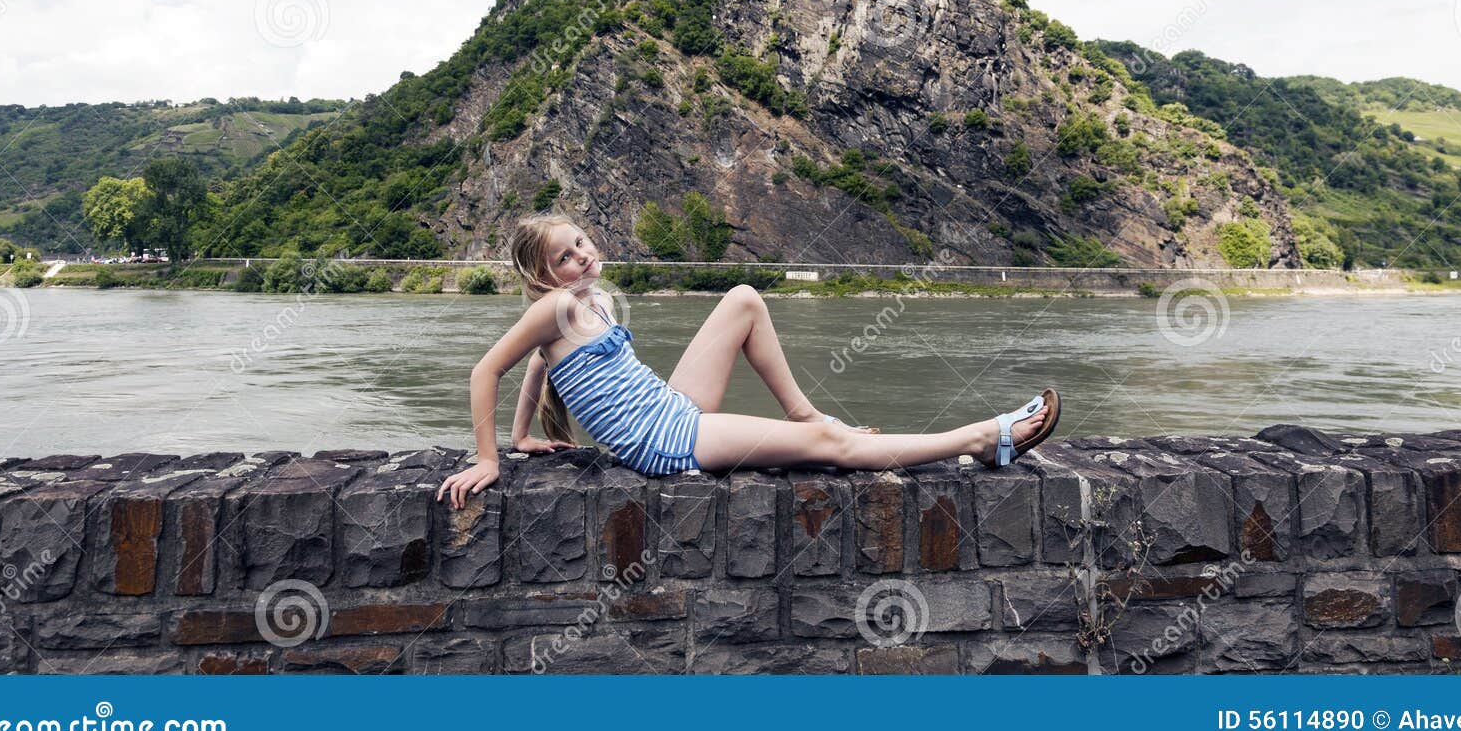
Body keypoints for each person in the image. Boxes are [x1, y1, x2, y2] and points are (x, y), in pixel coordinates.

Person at [436, 210, 1059, 507]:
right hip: (665, 439)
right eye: (566, 257)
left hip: (667, 406)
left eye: (581, 242)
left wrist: (524, 435)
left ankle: (806, 412)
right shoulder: (550, 310)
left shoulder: (590, 300)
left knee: (743, 299)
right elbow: (487, 369)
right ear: (545, 276)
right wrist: (491, 458)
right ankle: (980, 438)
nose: (582, 255)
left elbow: (546, 367)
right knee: (831, 451)